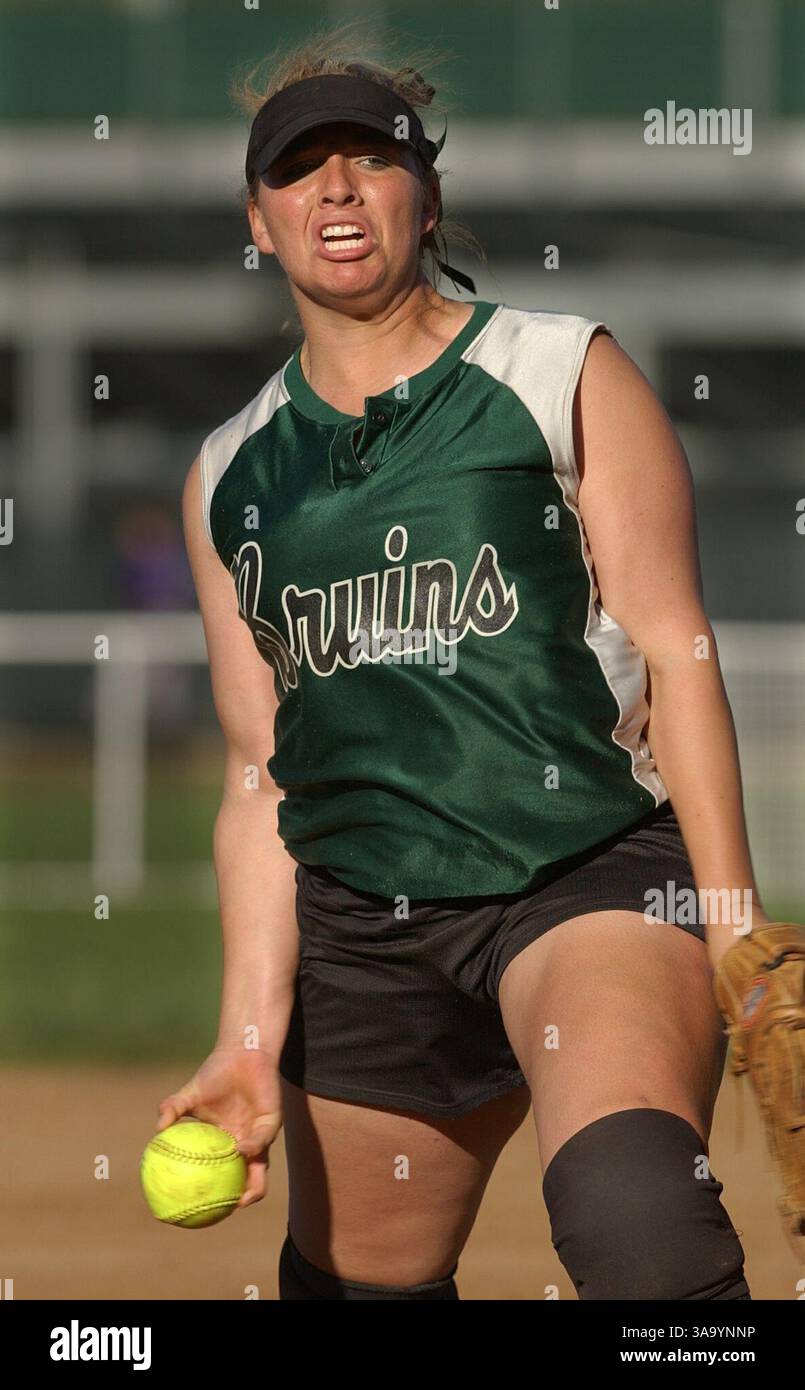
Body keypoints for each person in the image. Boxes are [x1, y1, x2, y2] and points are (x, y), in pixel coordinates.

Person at [160, 37, 766, 1300]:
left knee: (637, 1226)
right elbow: (260, 782)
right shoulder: (232, 472)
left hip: (581, 876)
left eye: (370, 160)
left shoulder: (554, 372)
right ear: (257, 220)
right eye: (298, 169)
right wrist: (243, 1038)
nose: (335, 189)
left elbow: (678, 654)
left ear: (424, 199)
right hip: (363, 930)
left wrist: (733, 925)